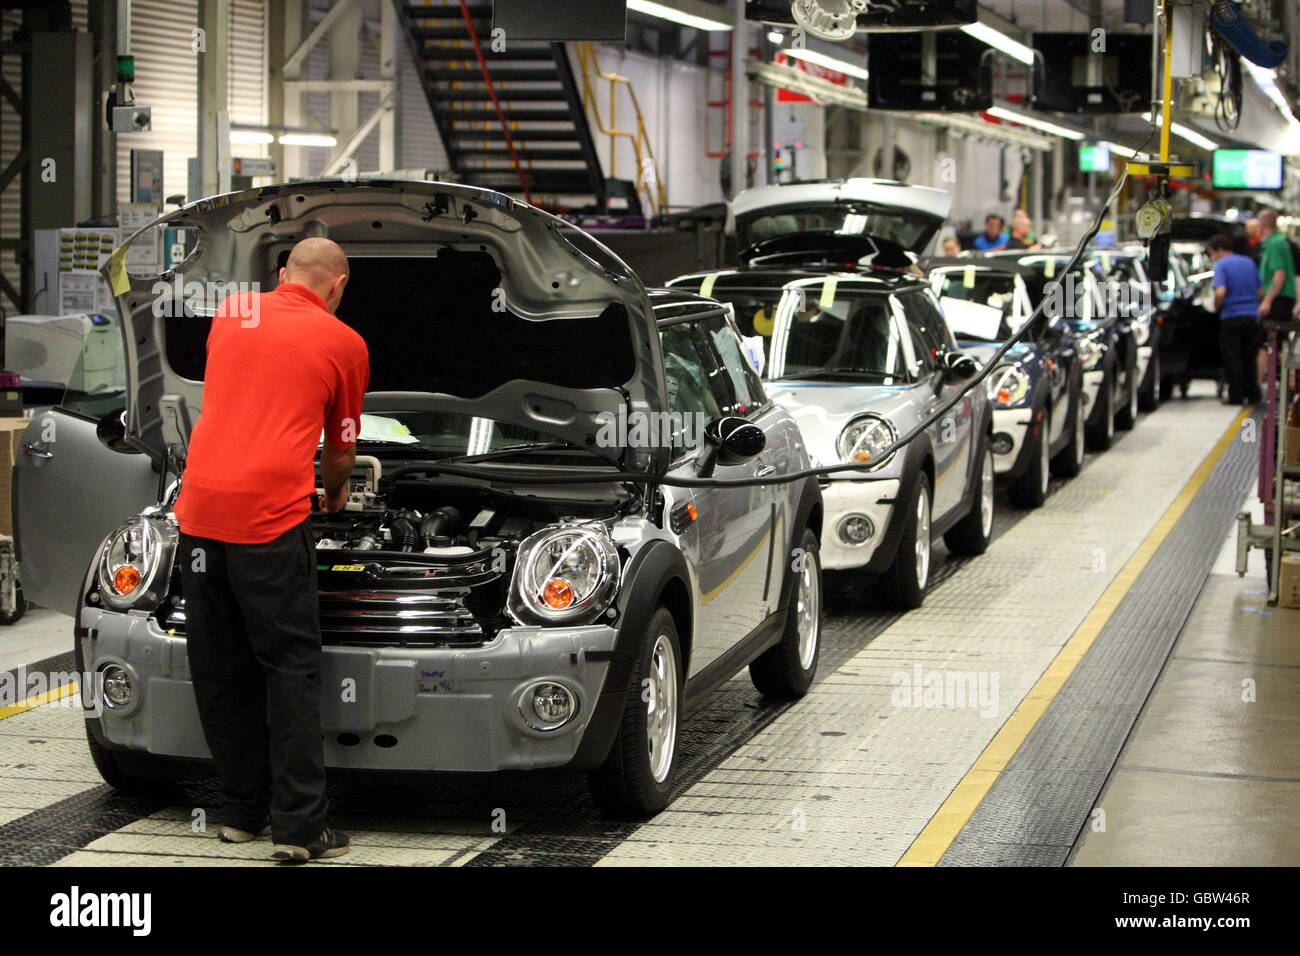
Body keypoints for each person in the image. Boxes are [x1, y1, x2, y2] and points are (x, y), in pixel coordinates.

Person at [174, 237, 369, 863]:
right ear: (337, 287)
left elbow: (238, 396)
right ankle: (300, 827)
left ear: (283, 274)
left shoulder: (234, 312)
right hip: (268, 521)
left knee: (221, 667)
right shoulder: (345, 343)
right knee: (288, 669)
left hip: (201, 514)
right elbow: (340, 450)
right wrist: (335, 494)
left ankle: (239, 812)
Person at [1207, 233, 1262, 405]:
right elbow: (1261, 291)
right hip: (1252, 316)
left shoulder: (1222, 265)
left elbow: (1220, 291)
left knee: (1233, 358)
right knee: (1249, 357)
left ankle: (1236, 396)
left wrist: (1215, 306)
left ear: (1220, 250)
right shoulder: (1249, 262)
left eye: (1211, 254)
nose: (1211, 258)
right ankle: (1253, 394)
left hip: (1231, 316)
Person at [1257, 209, 1296, 325]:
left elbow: (1279, 274)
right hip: (1278, 297)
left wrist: (1267, 301)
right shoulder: (1273, 242)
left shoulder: (1275, 244)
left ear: (1262, 224)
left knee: (1271, 338)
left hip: (1279, 298)